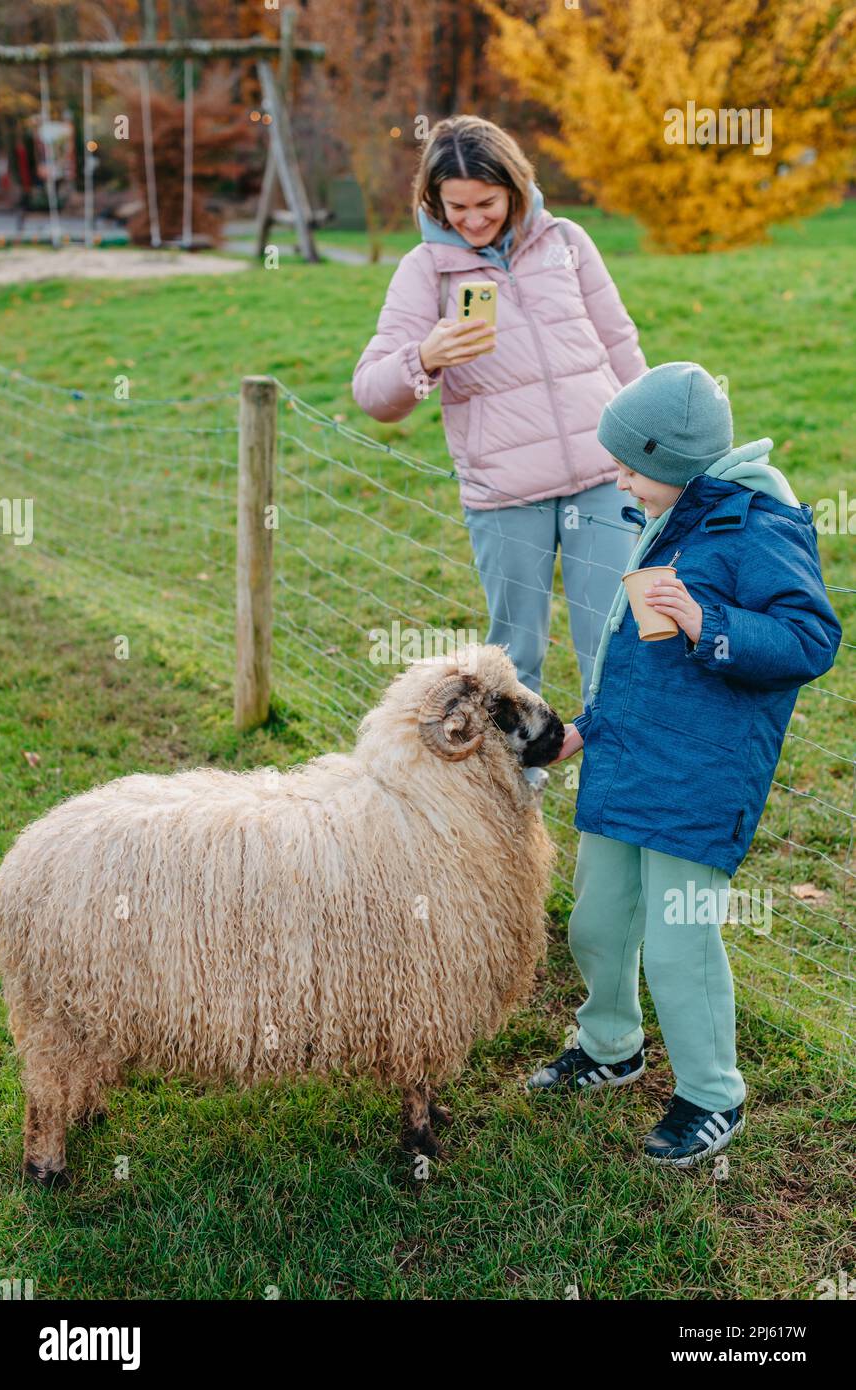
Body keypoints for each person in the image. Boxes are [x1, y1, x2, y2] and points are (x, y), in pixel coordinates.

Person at [527, 362, 843, 1165]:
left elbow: (812, 640)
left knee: (679, 942)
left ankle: (710, 1095)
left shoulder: (756, 525)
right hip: (629, 759)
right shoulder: (668, 513)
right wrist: (586, 727)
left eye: (630, 463)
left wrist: (710, 623)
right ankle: (610, 1045)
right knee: (595, 920)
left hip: (700, 776)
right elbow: (634, 653)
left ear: (674, 459)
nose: (618, 476)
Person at [352, 115, 646, 787]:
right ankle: (516, 798)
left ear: (516, 188)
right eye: (455, 207)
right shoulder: (424, 271)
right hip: (504, 492)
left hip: (602, 477)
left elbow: (619, 342)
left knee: (614, 640)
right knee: (515, 656)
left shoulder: (566, 243)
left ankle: (623, 783)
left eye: (487, 204)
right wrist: (422, 357)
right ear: (433, 201)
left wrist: (648, 449)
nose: (473, 220)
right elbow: (373, 393)